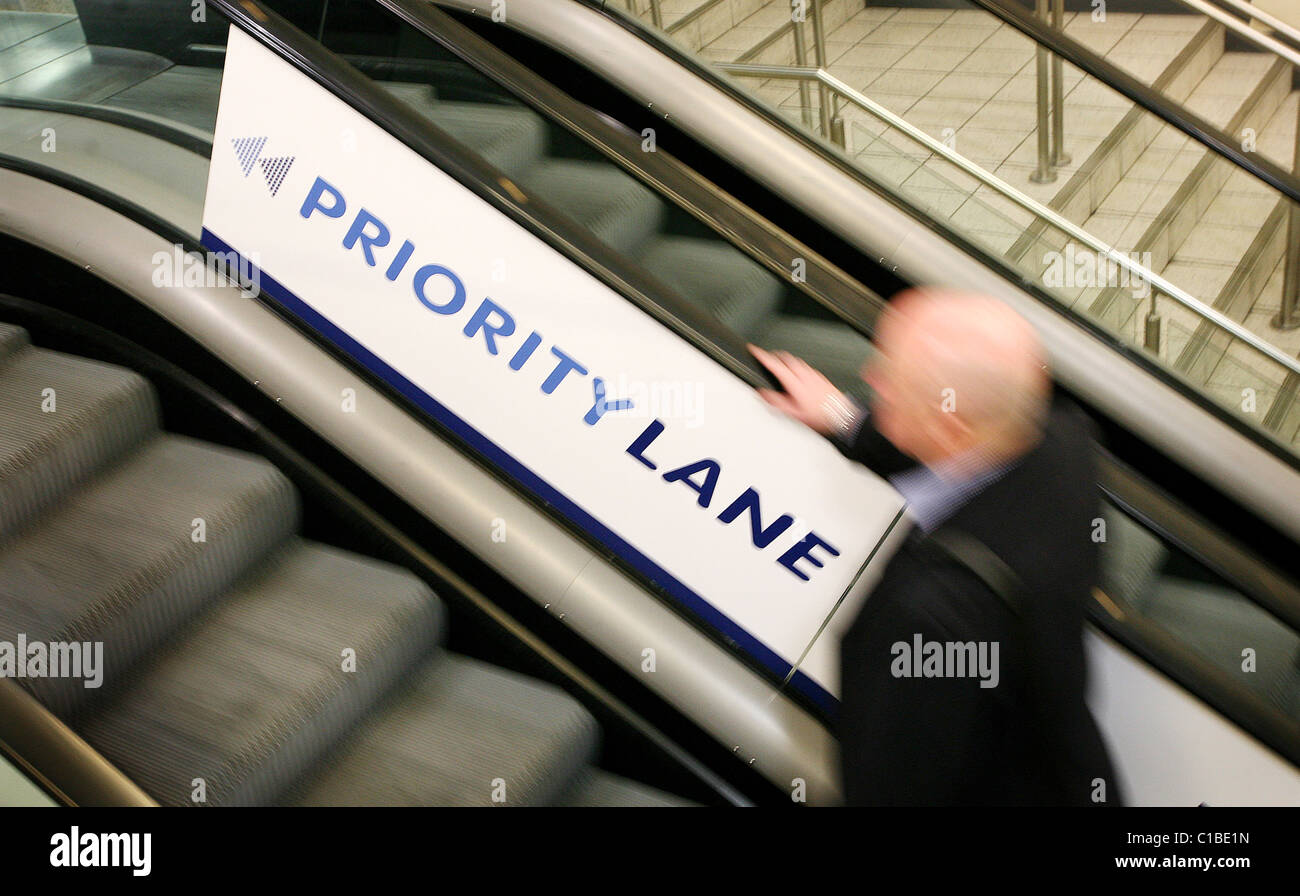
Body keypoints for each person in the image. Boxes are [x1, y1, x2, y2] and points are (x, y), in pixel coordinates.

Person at [750, 287, 1122, 806]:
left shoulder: (928, 616)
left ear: (950, 423)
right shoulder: (1064, 443)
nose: (869, 377)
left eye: (888, 375)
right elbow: (959, 455)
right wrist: (843, 418)